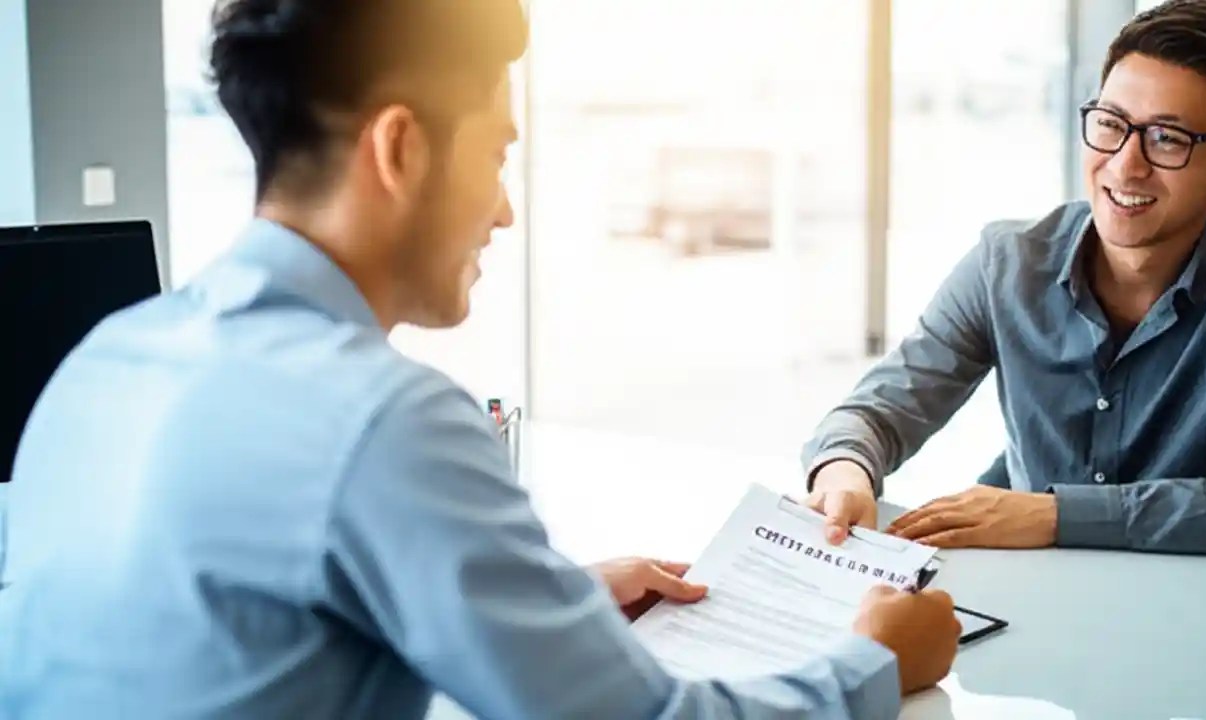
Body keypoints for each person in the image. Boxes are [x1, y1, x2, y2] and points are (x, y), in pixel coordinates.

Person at [0, 1, 960, 718]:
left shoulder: (109, 359)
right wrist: (874, 657)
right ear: (401, 150)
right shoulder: (381, 419)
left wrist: (556, 598)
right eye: (497, 156)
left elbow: (247, 631)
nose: (504, 210)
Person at [803, 0, 1206, 556]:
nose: (1125, 165)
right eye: (1110, 124)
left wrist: (1059, 515)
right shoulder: (1006, 262)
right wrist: (845, 472)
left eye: (1167, 139)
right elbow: (880, 409)